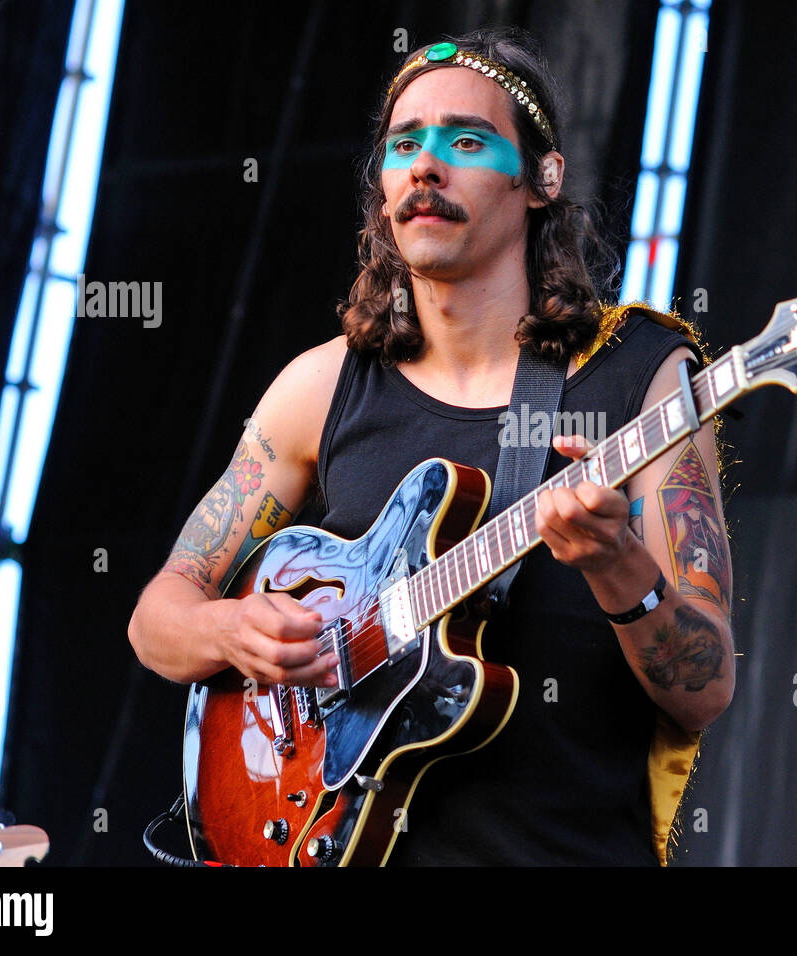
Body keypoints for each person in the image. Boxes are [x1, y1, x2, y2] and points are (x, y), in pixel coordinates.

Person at [128, 26, 735, 866]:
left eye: (466, 140)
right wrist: (233, 631)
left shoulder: (643, 380)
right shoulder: (325, 384)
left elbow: (705, 687)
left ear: (542, 179)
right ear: (382, 186)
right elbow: (157, 618)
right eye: (404, 143)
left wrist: (616, 564)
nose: (425, 164)